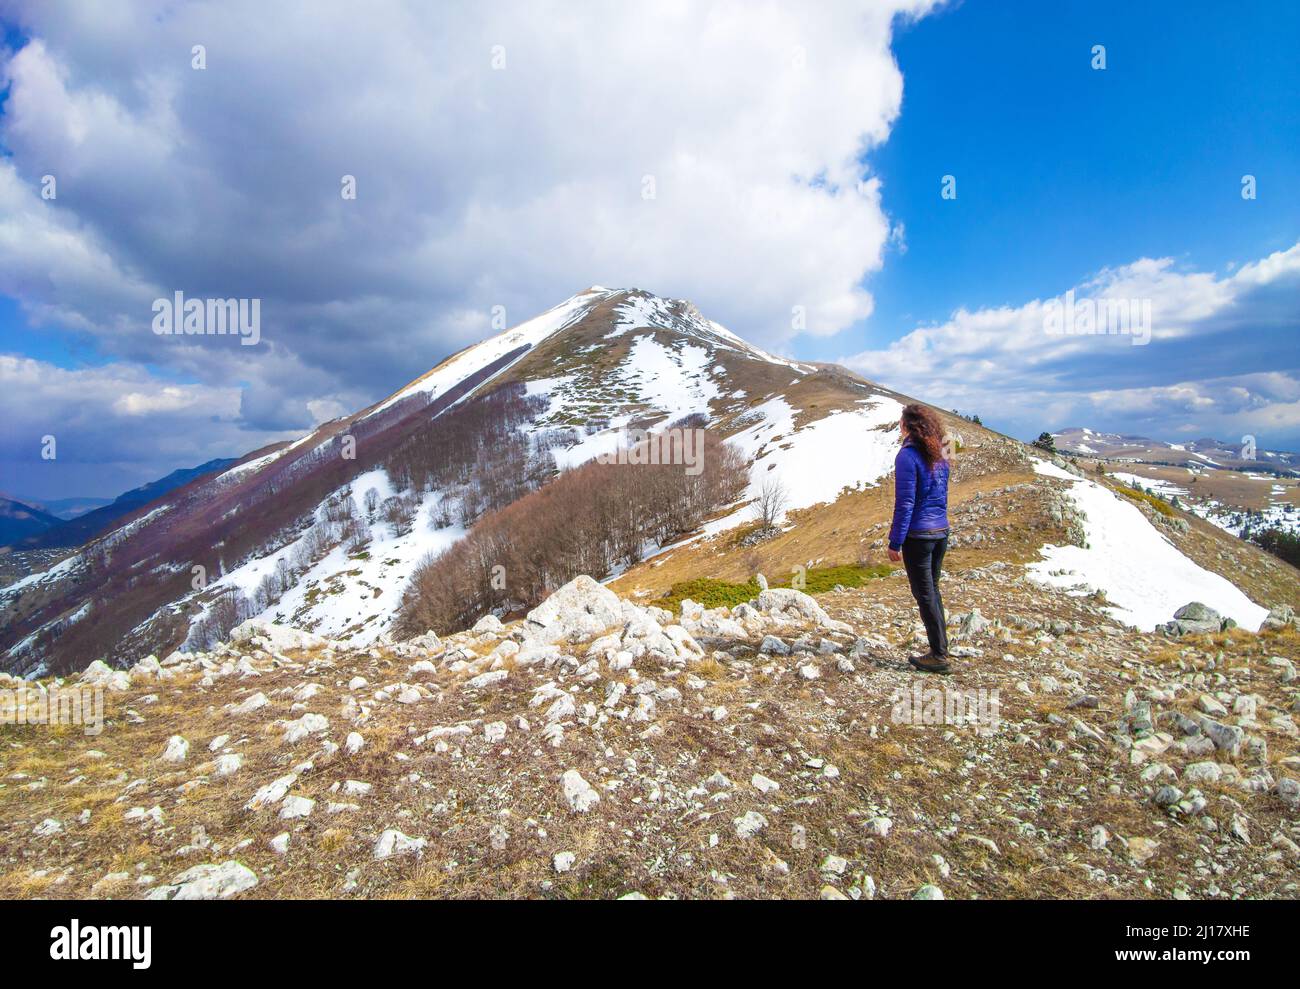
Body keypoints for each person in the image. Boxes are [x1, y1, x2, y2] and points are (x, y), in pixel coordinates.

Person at [887, 404, 952, 674]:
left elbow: (905, 503)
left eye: (901, 422)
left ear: (908, 426)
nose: (899, 426)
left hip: (919, 536)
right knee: (932, 591)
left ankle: (938, 655)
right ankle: (941, 648)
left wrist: (895, 542)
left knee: (924, 594)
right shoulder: (941, 452)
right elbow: (943, 490)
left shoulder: (907, 456)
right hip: (940, 532)